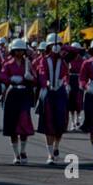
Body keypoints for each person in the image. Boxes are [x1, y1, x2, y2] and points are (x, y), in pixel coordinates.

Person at [33, 33, 71, 165]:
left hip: (60, 93)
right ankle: (49, 154)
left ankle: (56, 146)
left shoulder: (64, 59)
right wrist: (45, 83)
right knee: (48, 124)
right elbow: (41, 73)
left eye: (58, 45)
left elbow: (67, 74)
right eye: (53, 45)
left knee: (60, 123)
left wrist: (65, 84)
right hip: (48, 93)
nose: (56, 47)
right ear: (48, 46)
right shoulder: (44, 59)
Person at [0, 39, 36, 163]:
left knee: (24, 122)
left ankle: (23, 150)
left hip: (24, 94)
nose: (19, 52)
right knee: (12, 124)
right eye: (17, 50)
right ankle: (16, 155)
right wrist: (10, 79)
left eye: (21, 50)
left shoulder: (28, 63)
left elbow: (35, 78)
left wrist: (31, 78)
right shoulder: (8, 64)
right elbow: (2, 76)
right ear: (13, 51)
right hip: (12, 94)